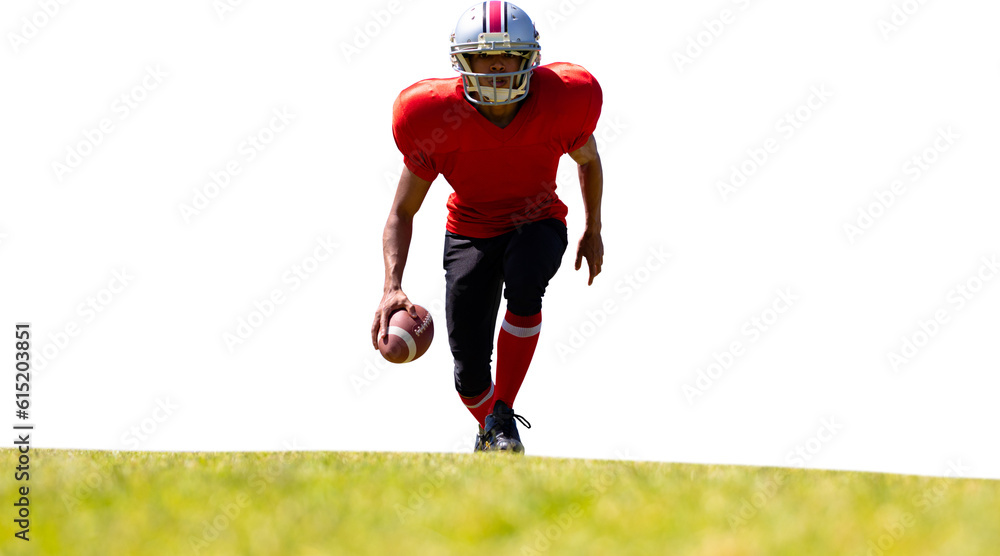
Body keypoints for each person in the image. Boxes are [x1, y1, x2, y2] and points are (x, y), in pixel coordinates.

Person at [371, 1, 604, 454]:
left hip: (538, 218)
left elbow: (589, 160)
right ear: (462, 61)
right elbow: (402, 211)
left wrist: (592, 227)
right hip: (470, 231)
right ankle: (494, 433)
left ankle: (500, 415)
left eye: (508, 56)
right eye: (483, 56)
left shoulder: (564, 99)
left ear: (528, 60)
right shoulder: (431, 115)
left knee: (525, 280)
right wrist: (391, 285)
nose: (496, 65)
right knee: (469, 372)